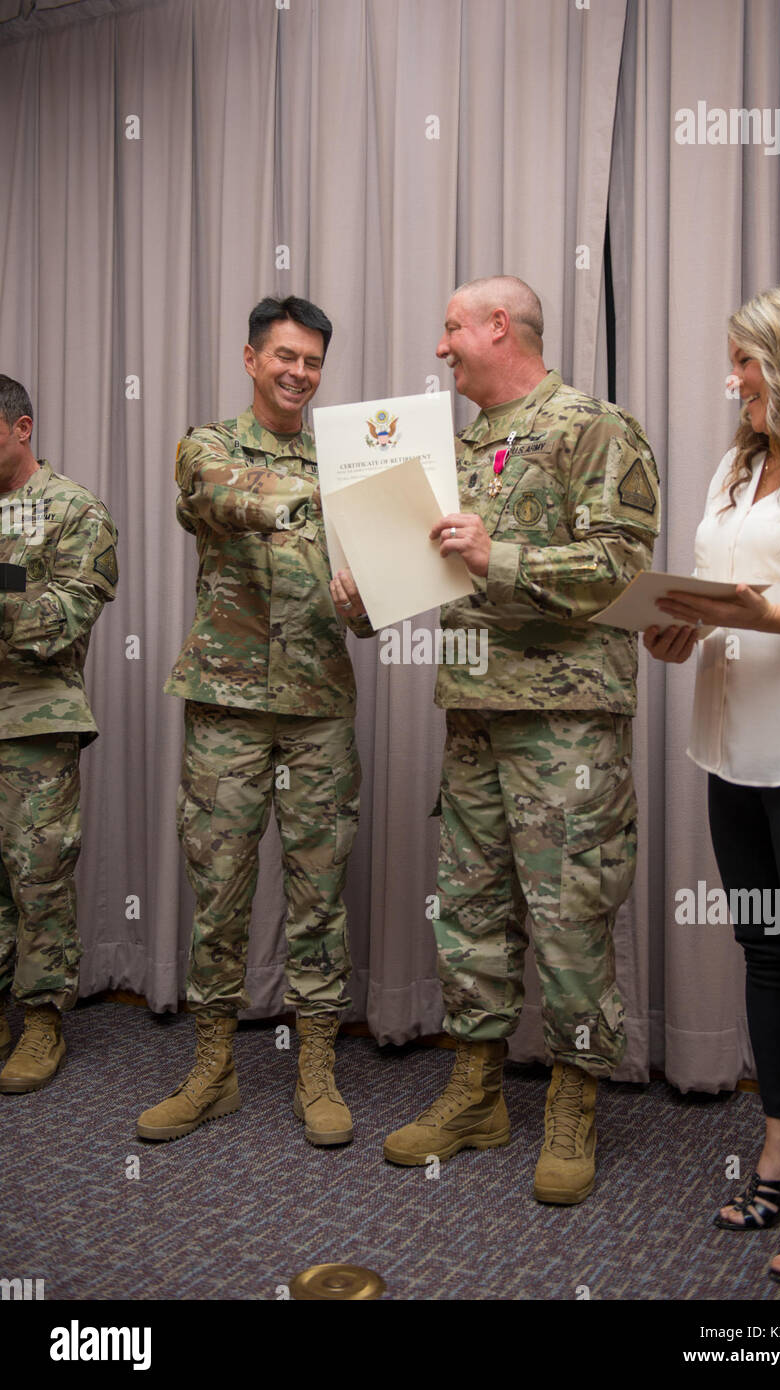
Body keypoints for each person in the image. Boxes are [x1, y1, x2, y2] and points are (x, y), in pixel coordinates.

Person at [361, 275, 660, 1203]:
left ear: (500, 326)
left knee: (571, 920)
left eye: (452, 327)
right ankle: (477, 1091)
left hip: (566, 723)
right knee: (471, 914)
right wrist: (370, 585)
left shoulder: (593, 427)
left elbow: (623, 567)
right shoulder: (456, 448)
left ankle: (574, 1104)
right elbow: (431, 567)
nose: (441, 346)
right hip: (476, 717)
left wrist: (502, 555)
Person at [645, 283, 780, 1284]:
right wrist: (675, 624)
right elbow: (713, 594)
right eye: (732, 362)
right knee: (764, 951)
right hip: (730, 751)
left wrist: (759, 611)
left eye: (746, 362)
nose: (732, 380)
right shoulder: (736, 467)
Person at [137, 296, 371, 1146]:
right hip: (228, 707)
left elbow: (373, 607)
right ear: (250, 358)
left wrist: (367, 596)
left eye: (311, 361)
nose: (299, 373)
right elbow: (213, 495)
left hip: (317, 710)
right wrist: (328, 497)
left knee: (318, 897)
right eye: (285, 357)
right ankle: (213, 1069)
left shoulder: (349, 461)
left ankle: (315, 1068)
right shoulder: (209, 446)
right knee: (219, 893)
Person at [0, 374, 118, 1093]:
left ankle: (41, 1020)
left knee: (37, 877)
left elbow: (61, 620)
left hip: (33, 721)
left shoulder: (76, 511)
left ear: (22, 427)